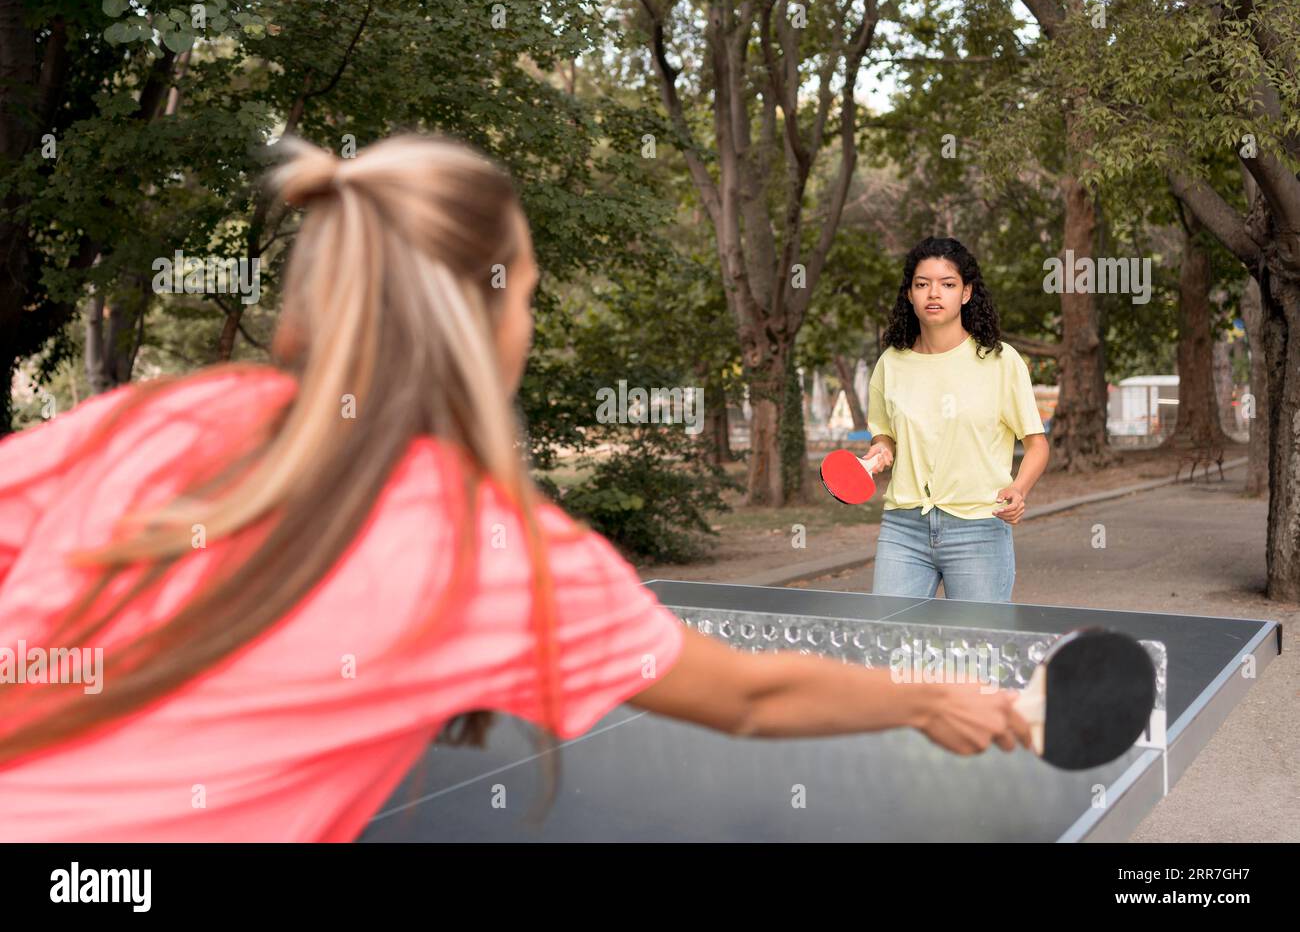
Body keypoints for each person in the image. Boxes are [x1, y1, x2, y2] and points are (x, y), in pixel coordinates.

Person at [0, 135, 1030, 841]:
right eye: (525, 293)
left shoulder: (174, 413)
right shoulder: (487, 550)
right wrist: (926, 695)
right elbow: (751, 694)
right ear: (481, 318)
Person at [865, 237, 1050, 602]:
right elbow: (883, 434)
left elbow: (1036, 445)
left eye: (947, 284)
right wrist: (880, 451)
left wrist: (1018, 489)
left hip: (979, 528)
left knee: (977, 654)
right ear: (909, 294)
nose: (934, 293)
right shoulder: (891, 362)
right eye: (922, 284)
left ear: (966, 293)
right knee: (887, 648)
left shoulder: (1000, 361)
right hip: (904, 527)